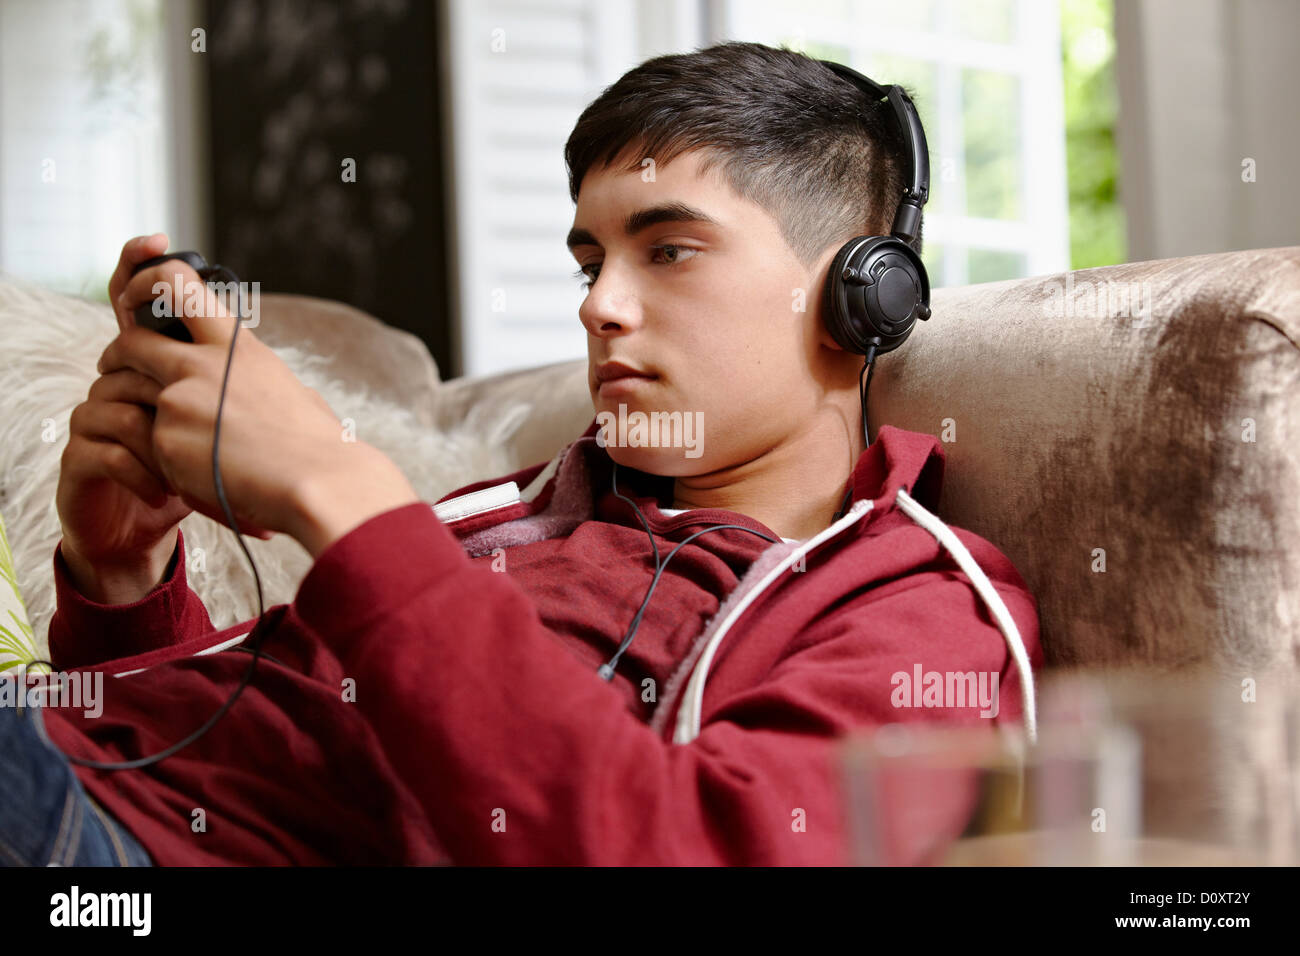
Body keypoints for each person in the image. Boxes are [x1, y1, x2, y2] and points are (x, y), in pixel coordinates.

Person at [4, 41, 1040, 866]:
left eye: (668, 248)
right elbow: (210, 762)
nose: (599, 304)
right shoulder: (535, 513)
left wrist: (344, 493)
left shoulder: (913, 614)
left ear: (861, 291)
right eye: (590, 260)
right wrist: (122, 582)